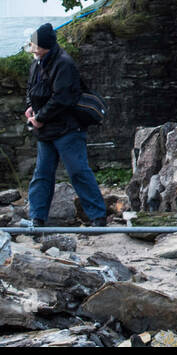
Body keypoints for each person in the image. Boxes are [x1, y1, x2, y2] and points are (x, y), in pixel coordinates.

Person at [24, 23, 108, 228]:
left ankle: (98, 216)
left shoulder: (64, 64)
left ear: (45, 46)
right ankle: (37, 217)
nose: (32, 48)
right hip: (45, 130)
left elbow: (62, 98)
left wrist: (41, 117)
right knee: (42, 174)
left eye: (35, 44)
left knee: (78, 171)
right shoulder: (36, 64)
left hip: (68, 129)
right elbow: (31, 89)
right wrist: (30, 108)